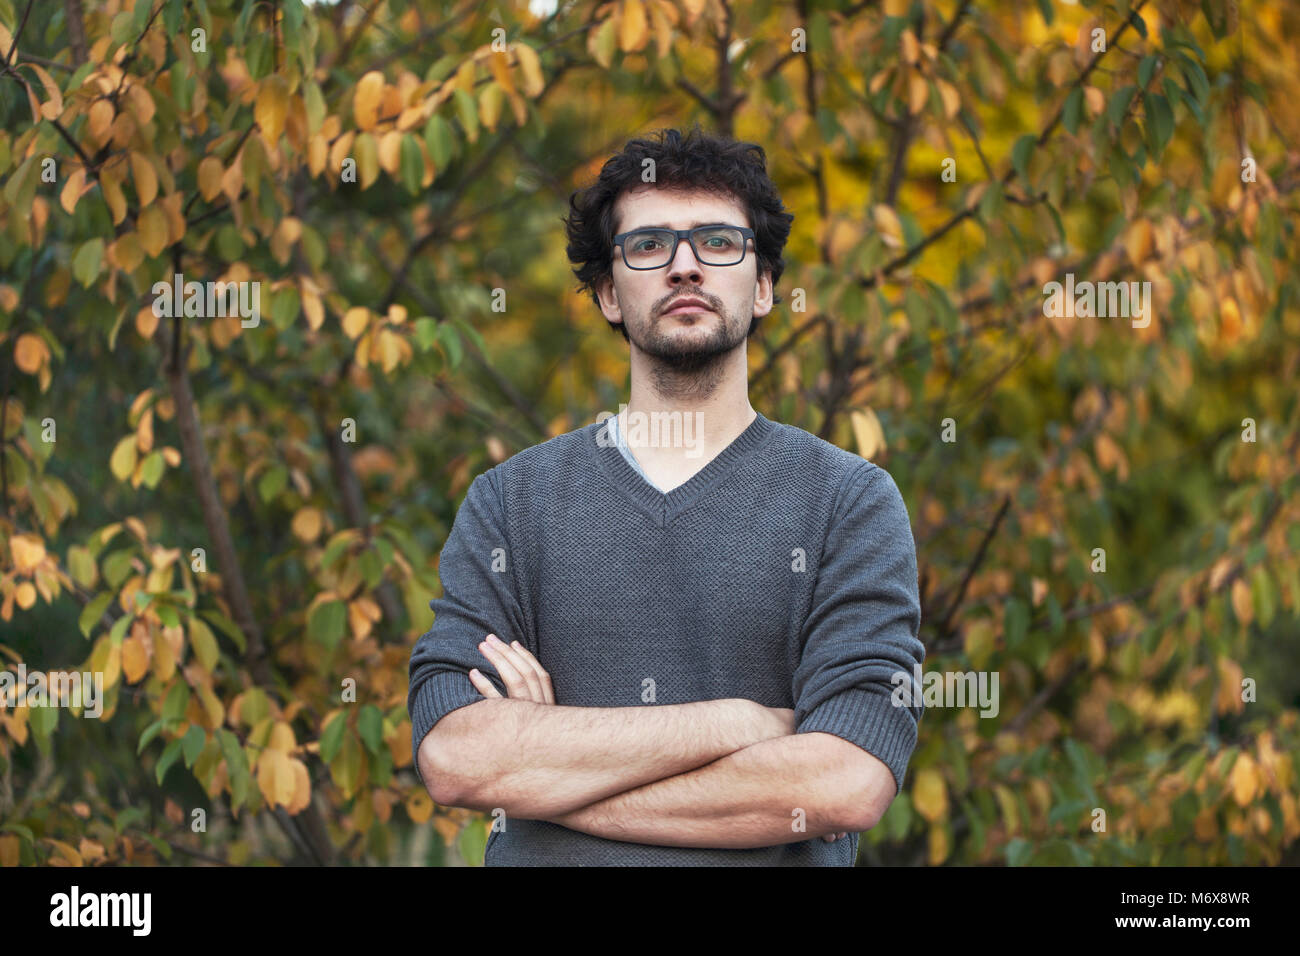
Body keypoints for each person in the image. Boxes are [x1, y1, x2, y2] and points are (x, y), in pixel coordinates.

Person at [407, 125, 924, 865]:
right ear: (611, 294)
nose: (685, 267)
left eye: (718, 242)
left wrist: (548, 776)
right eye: (649, 246)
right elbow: (458, 759)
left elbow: (842, 783)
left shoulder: (848, 503)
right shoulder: (510, 506)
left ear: (766, 285)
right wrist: (737, 724)